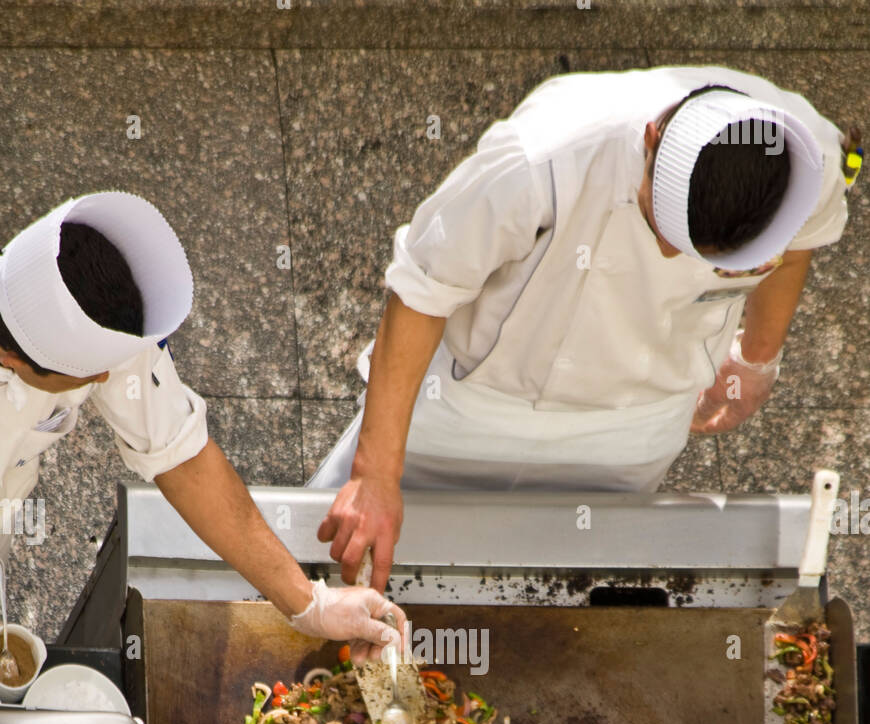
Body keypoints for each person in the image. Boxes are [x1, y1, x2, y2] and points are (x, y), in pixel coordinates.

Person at [310, 65, 854, 591]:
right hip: (473, 406)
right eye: (657, 221)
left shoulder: (812, 163)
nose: (667, 252)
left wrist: (757, 360)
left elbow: (801, 243)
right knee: (334, 563)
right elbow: (424, 289)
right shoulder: (540, 158)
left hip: (636, 428)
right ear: (651, 136)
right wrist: (375, 475)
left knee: (569, 591)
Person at [0, 192, 405, 659]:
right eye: (89, 374)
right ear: (12, 359)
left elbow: (183, 458)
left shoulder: (78, 323)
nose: (105, 380)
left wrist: (310, 603)